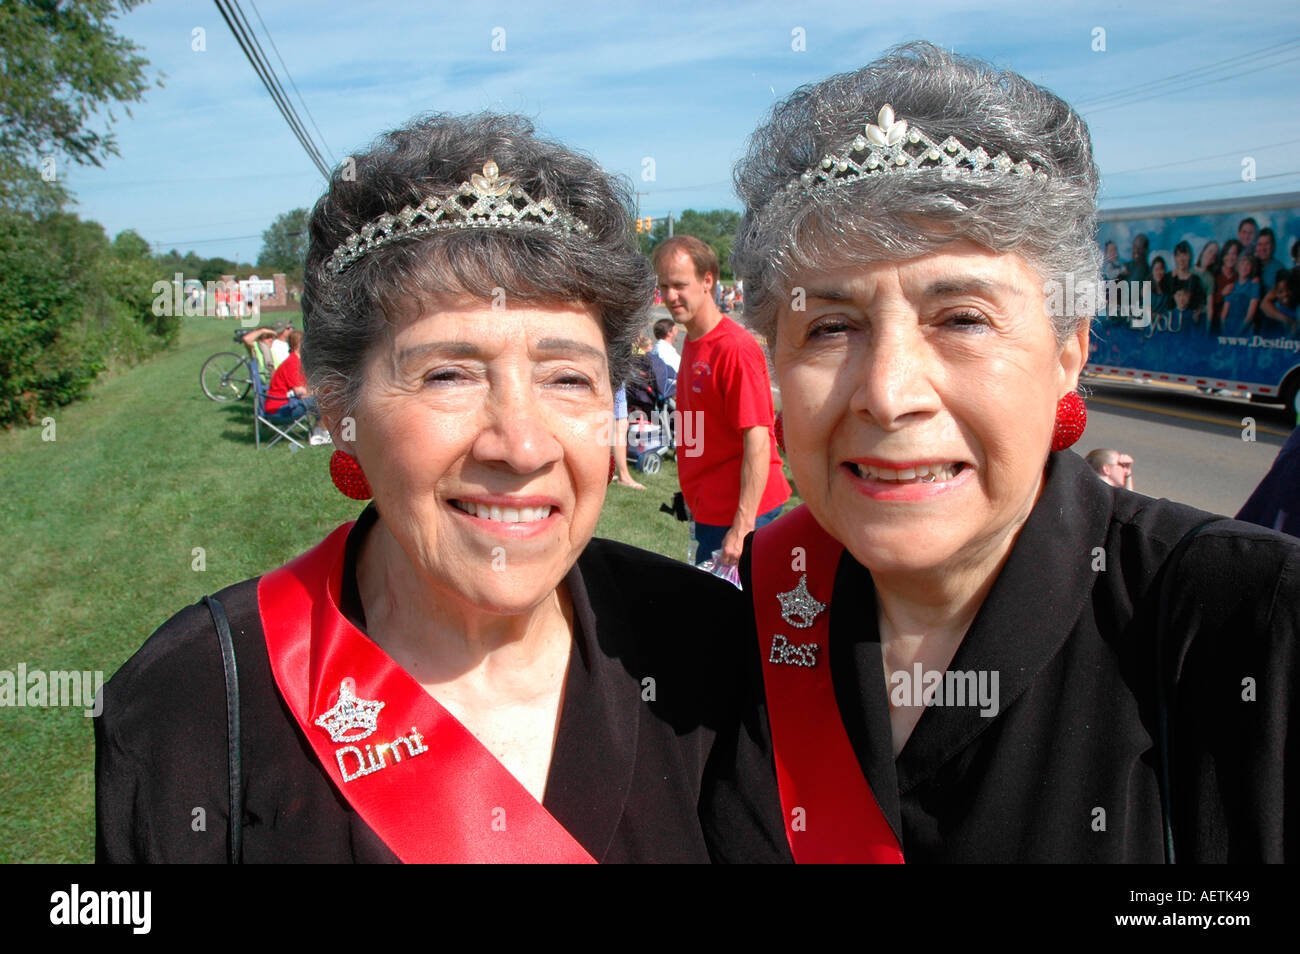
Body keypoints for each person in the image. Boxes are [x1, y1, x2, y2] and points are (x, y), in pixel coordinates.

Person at [96, 113, 787, 864]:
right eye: (449, 374)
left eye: (567, 378)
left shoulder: (712, 653)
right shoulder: (194, 703)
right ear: (339, 409)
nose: (521, 446)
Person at [730, 41, 1299, 862]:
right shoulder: (745, 626)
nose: (889, 393)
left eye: (961, 317)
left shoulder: (1247, 624)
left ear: (1070, 349)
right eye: (830, 326)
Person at [653, 235, 791, 567]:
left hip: (744, 514)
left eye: (679, 285)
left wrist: (742, 526)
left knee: (733, 615)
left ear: (707, 281)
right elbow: (695, 427)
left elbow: (758, 439)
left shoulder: (735, 348)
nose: (670, 296)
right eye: (664, 286)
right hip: (710, 508)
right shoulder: (692, 339)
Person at [262, 328, 317, 424]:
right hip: (278, 410)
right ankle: (321, 433)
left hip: (286, 404)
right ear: (299, 345)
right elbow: (300, 392)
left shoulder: (296, 361)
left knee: (324, 400)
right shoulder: (292, 364)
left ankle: (321, 432)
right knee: (321, 402)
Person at [1223, 253, 1262, 336]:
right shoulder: (1232, 286)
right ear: (1238, 266)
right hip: (1228, 330)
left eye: (1248, 264)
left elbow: (1250, 316)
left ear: (1252, 268)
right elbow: (1223, 315)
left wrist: (1237, 335)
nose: (1244, 267)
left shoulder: (1254, 285)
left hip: (1244, 331)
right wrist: (1225, 334)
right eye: (1242, 263)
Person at [1167, 240, 1204, 319]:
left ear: (1190, 257)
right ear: (1175, 258)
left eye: (1184, 255)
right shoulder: (1168, 278)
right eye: (1178, 255)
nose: (1181, 259)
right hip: (1169, 323)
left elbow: (1200, 304)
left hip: (1189, 323)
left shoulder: (1195, 280)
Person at [1212, 238, 1242, 334]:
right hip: (1215, 323)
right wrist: (1222, 294)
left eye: (1234, 254)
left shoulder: (1239, 277)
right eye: (1227, 253)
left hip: (1234, 324)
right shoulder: (1214, 274)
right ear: (1223, 255)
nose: (1230, 257)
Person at [650, 316, 680, 399]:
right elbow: (672, 376)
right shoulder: (664, 351)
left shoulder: (660, 347)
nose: (678, 331)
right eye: (675, 329)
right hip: (673, 393)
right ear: (669, 333)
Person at [1193, 240, 1219, 322]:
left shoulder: (1210, 278)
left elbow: (1210, 307)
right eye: (1210, 251)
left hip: (1201, 317)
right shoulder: (1188, 270)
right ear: (1203, 252)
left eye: (1214, 255)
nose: (1211, 256)